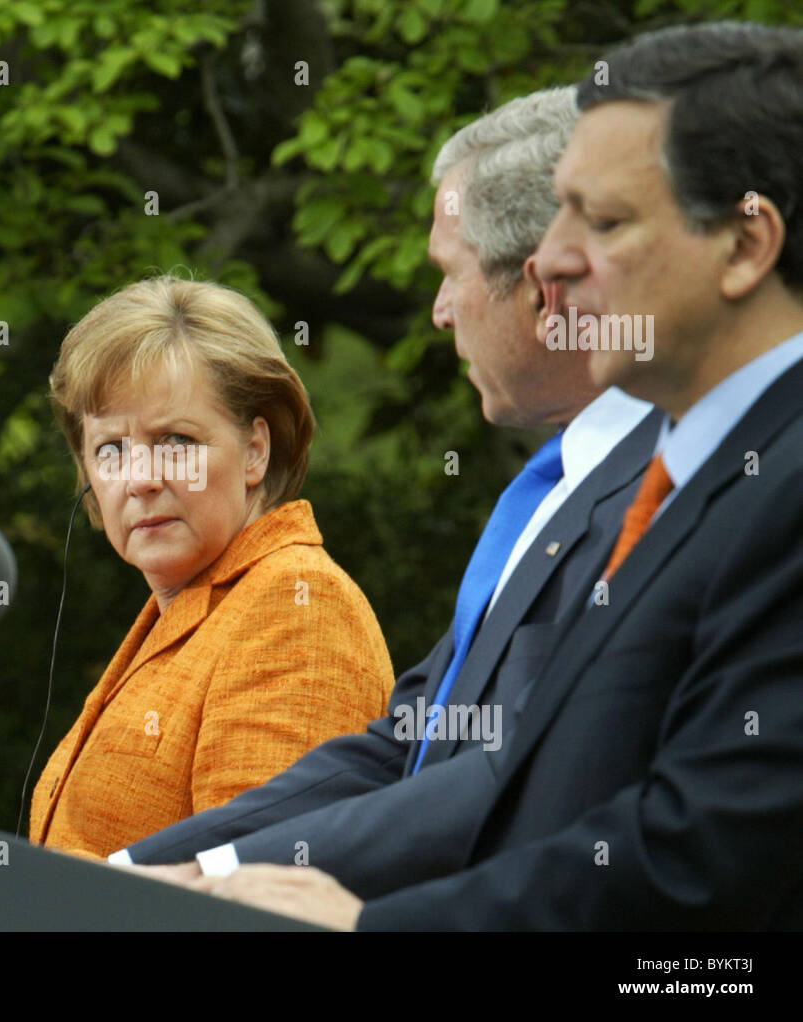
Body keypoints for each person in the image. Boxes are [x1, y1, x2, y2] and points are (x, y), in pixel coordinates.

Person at [167, 19, 803, 930]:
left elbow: (700, 860)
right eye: (562, 212)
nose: (552, 259)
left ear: (745, 246)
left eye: (606, 219)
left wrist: (365, 926)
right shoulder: (692, 478)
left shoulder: (777, 485)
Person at [109, 87, 659, 903]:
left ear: (545, 286)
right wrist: (146, 869)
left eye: (449, 274)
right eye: (109, 448)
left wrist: (223, 881)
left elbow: (528, 772)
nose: (438, 312)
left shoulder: (669, 488)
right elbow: (409, 742)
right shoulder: (560, 484)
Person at [29, 275, 395, 857]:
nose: (140, 478)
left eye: (175, 439)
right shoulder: (184, 607)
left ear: (255, 450)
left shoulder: (297, 606)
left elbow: (256, 891)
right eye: (110, 449)